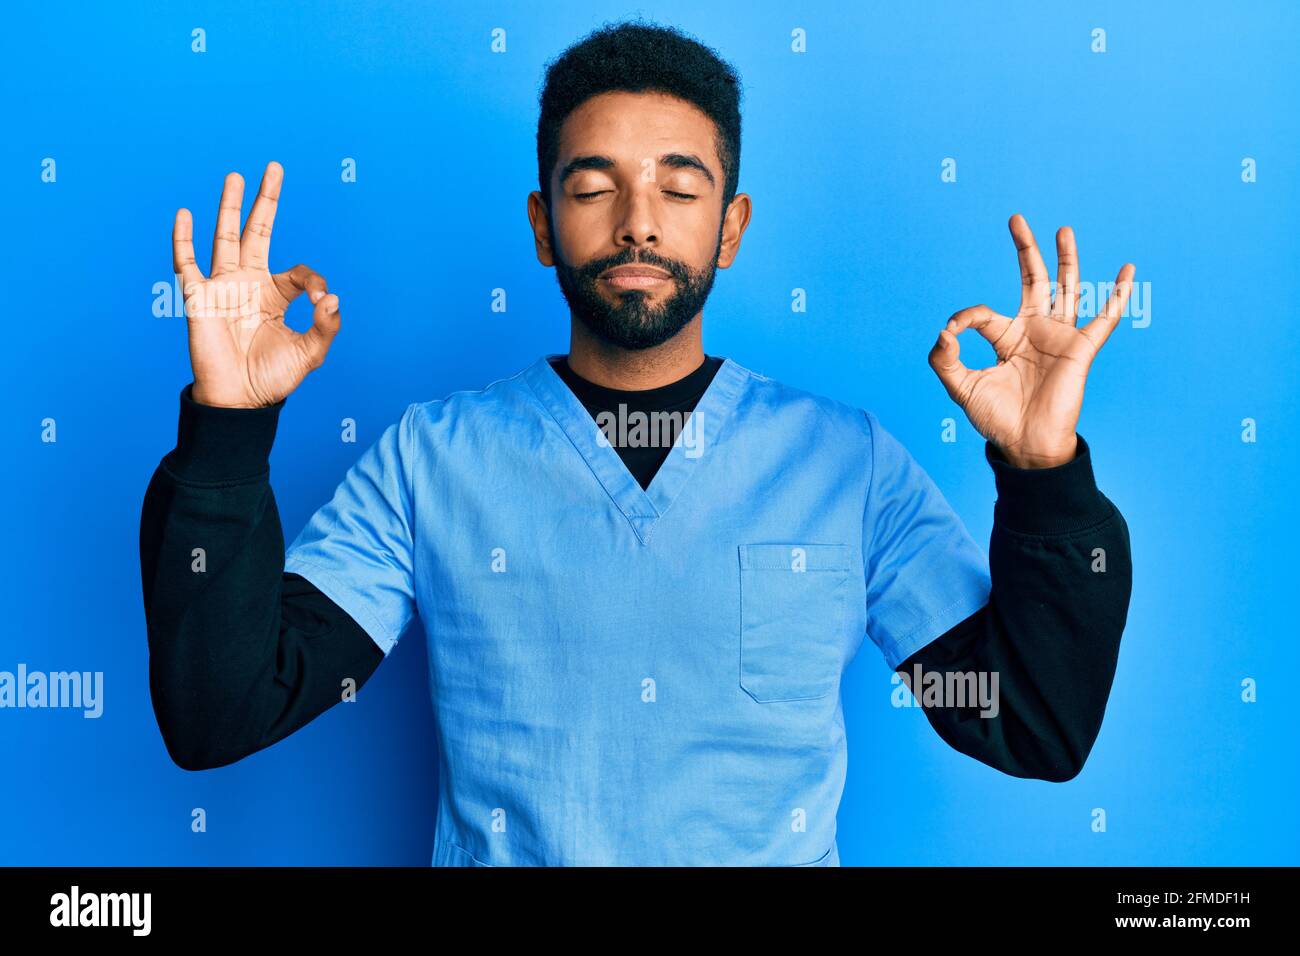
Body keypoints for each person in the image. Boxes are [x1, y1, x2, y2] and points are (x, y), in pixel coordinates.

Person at [139, 21, 1133, 867]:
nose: (637, 224)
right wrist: (228, 429)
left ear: (731, 226)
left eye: (679, 187)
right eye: (593, 186)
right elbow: (222, 710)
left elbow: (1032, 723)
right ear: (541, 223)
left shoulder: (848, 465)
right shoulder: (430, 460)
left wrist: (1046, 478)